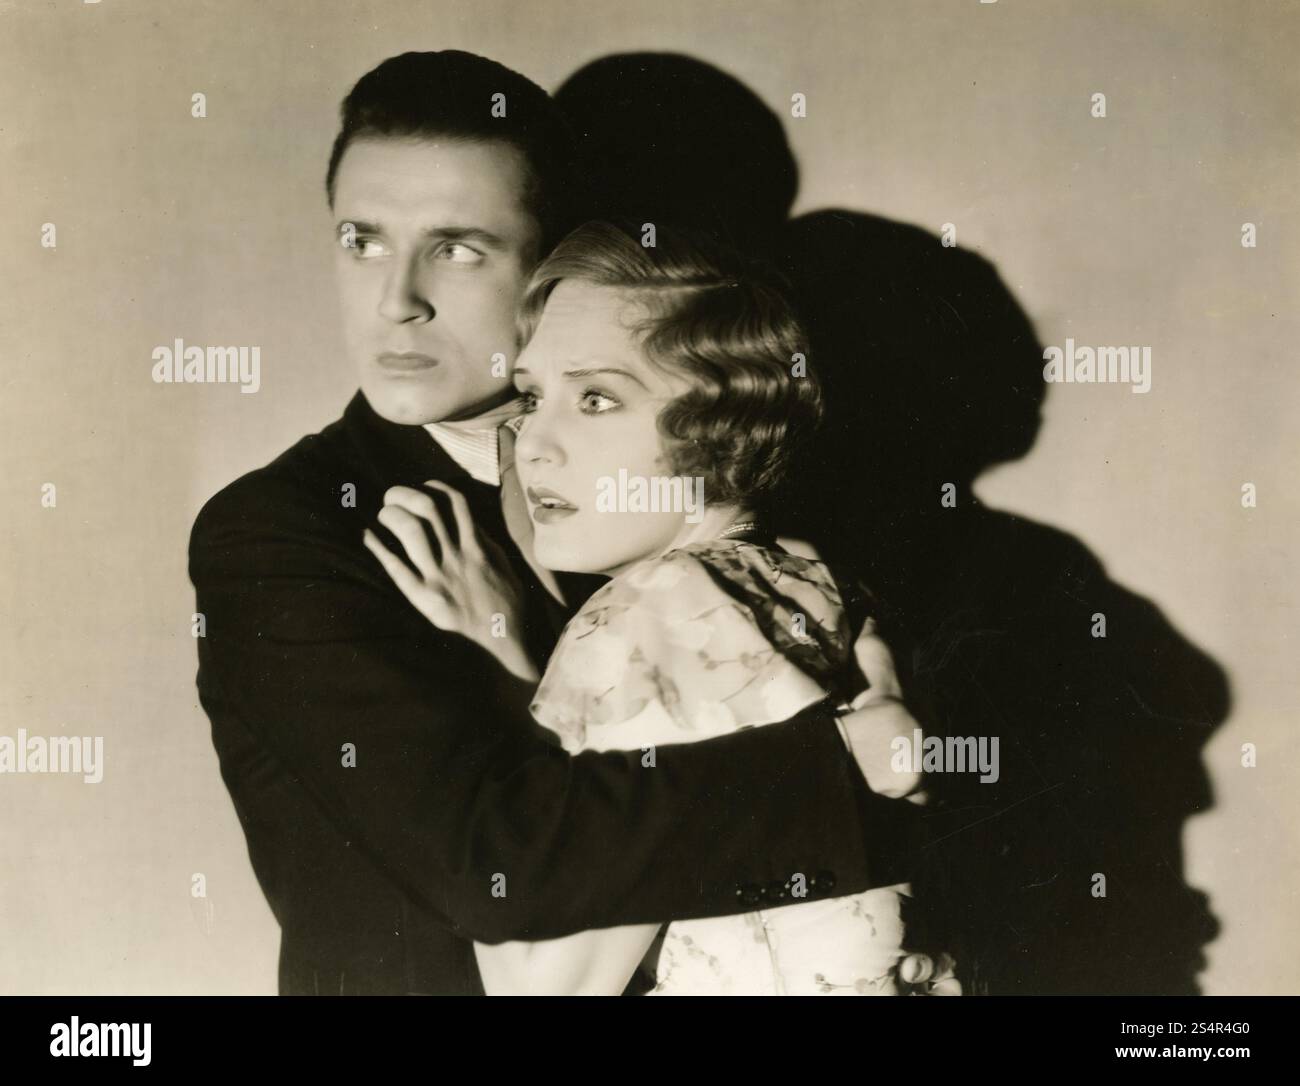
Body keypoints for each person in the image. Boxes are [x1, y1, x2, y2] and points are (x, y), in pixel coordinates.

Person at [190, 49, 934, 996]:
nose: (396, 300)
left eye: (457, 247)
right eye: (362, 241)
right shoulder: (282, 533)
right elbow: (493, 864)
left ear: (554, 261)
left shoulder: (693, 475)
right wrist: (842, 768)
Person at [366, 221, 953, 995]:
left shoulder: (652, 608)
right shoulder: (813, 579)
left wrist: (491, 671)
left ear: (723, 432)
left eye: (598, 398)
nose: (534, 442)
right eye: (535, 396)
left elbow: (540, 986)